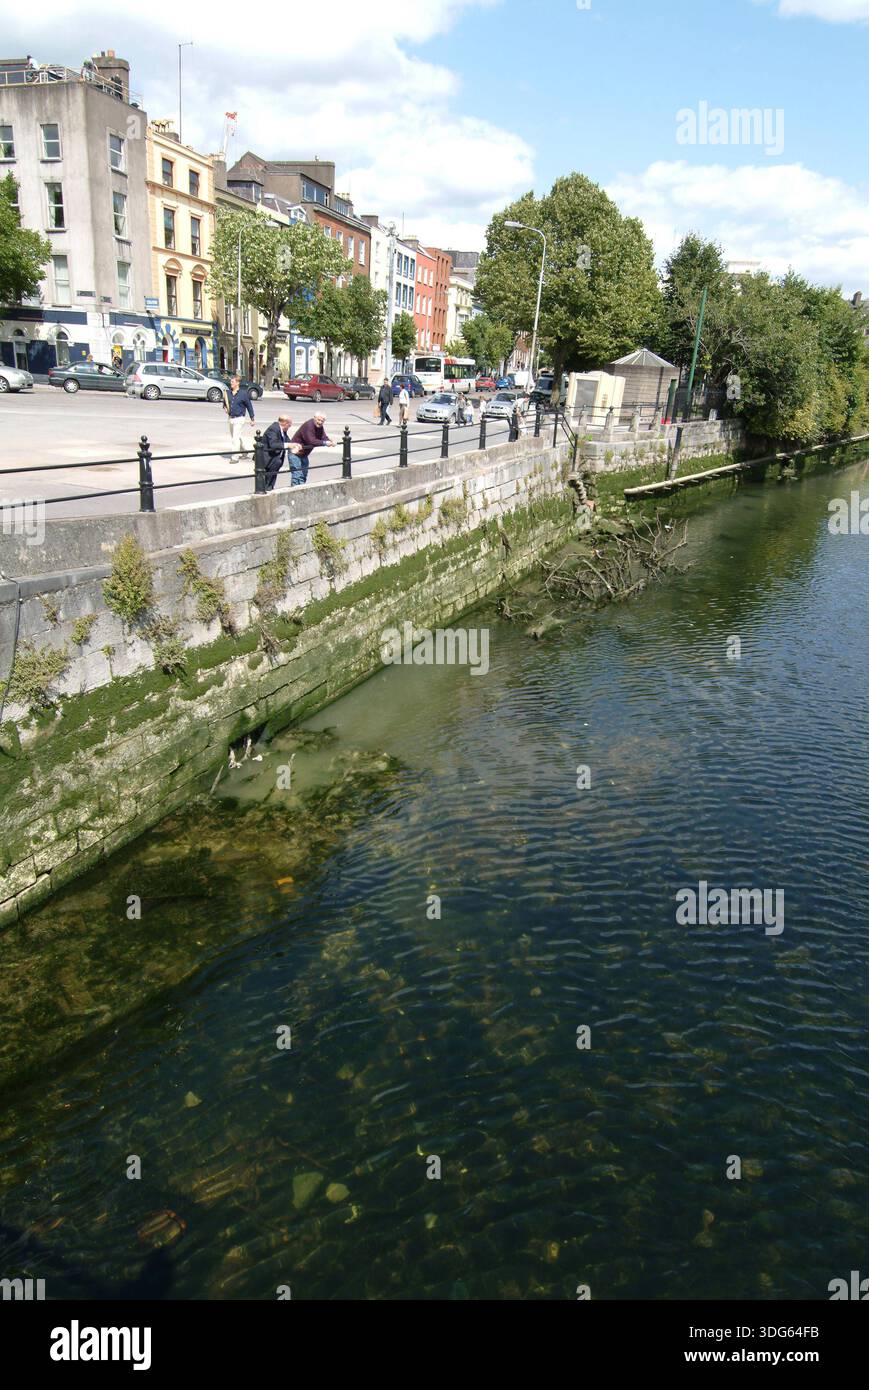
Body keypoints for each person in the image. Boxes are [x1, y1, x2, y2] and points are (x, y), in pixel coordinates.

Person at [290, 412, 334, 485]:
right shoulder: (309, 425)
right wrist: (325, 443)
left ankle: (301, 492)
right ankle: (295, 492)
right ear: (314, 418)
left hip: (304, 453)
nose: (320, 422)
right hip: (296, 451)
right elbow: (311, 441)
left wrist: (330, 441)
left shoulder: (319, 427)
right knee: (297, 476)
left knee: (303, 475)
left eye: (322, 421)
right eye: (318, 420)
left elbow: (323, 437)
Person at [262, 414, 301, 491]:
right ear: (285, 423)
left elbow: (287, 440)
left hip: (275, 460)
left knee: (271, 482)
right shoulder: (273, 429)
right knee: (266, 482)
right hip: (268, 460)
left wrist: (295, 445)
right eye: (289, 425)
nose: (289, 427)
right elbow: (273, 445)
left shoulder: (282, 430)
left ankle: (270, 490)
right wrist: (289, 445)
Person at [223, 375, 255, 462]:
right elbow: (225, 403)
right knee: (235, 436)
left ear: (237, 383)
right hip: (230, 418)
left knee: (235, 438)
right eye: (231, 382)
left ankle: (235, 457)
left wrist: (252, 418)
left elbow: (249, 406)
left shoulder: (243, 394)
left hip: (239, 418)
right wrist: (225, 408)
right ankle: (244, 451)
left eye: (232, 382)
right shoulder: (228, 393)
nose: (231, 383)